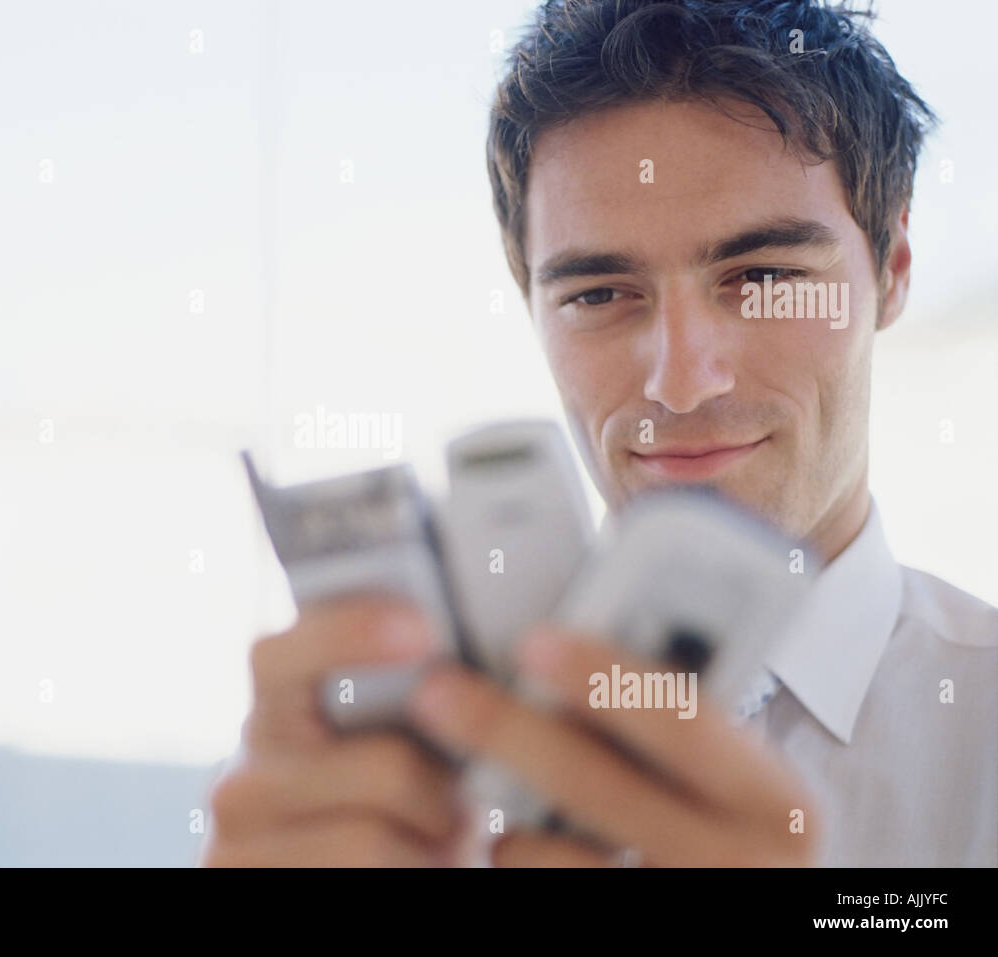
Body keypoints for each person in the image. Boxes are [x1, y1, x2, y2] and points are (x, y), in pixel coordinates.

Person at [200, 0, 997, 867]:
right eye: (597, 294)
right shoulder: (365, 774)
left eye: (764, 275)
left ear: (893, 270)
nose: (681, 381)